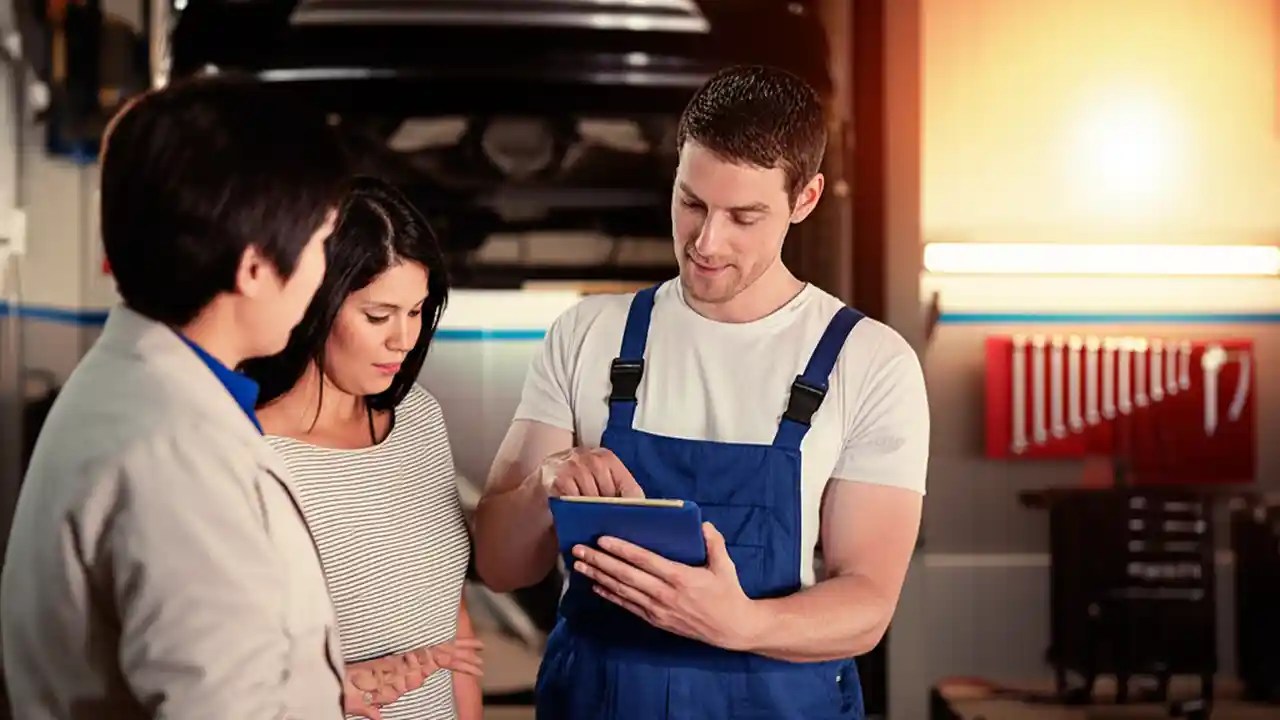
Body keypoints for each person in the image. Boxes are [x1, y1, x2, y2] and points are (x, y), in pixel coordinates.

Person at [472, 64, 929, 720]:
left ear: (805, 200)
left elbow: (866, 604)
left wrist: (739, 624)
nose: (707, 243)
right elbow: (500, 565)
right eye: (692, 203)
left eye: (745, 216)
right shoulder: (588, 336)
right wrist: (545, 483)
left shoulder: (869, 362)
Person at [0, 76, 350, 718]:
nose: (325, 269)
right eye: (322, 241)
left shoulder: (137, 387)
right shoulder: (178, 453)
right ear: (253, 268)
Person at [243, 176, 484, 720]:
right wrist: (329, 688)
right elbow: (214, 672)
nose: (404, 338)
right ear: (315, 306)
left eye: (417, 312)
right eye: (378, 316)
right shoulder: (253, 455)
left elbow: (452, 618)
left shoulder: (419, 417)